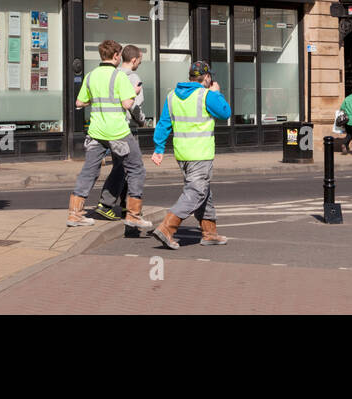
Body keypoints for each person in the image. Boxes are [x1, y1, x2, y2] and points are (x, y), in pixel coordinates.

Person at [66, 39, 153, 232]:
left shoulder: (90, 76)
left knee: (89, 171)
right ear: (115, 56)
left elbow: (80, 102)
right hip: (118, 132)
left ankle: (75, 214)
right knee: (136, 168)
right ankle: (133, 215)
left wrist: (97, 100)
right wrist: (133, 92)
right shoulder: (119, 76)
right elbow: (127, 104)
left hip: (96, 132)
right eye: (119, 55)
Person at [151, 60, 233, 248]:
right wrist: (217, 93)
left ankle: (209, 233)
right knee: (196, 192)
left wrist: (158, 149)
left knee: (204, 192)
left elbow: (164, 123)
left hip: (182, 154)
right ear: (207, 77)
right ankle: (167, 227)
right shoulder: (206, 95)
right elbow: (225, 112)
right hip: (200, 153)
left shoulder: (172, 96)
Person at [100, 43, 148, 219]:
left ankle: (123, 203)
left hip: (112, 127)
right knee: (129, 167)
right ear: (134, 60)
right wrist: (142, 120)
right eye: (140, 61)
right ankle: (109, 203)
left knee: (123, 166)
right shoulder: (134, 78)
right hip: (128, 129)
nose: (139, 64)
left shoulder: (113, 74)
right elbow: (134, 106)